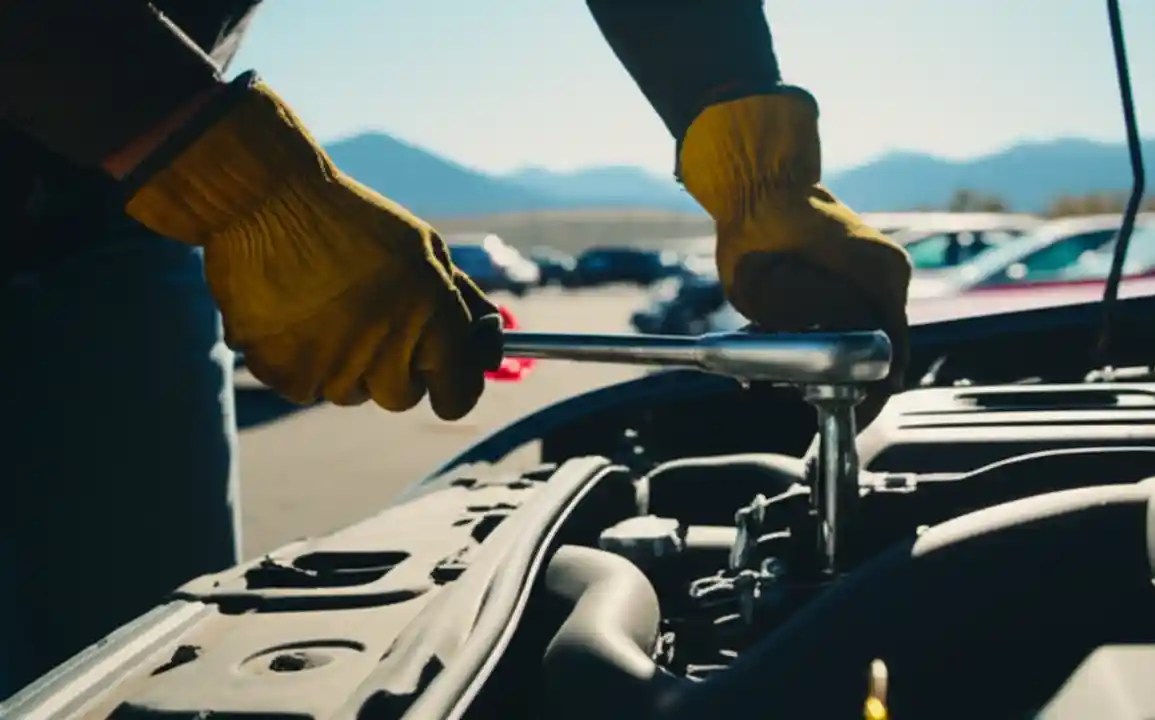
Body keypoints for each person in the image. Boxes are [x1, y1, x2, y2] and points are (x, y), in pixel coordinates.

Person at [0, 0, 911, 696]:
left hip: (114, 214)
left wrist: (754, 155)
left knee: (148, 655)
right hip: (119, 127)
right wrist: (235, 187)